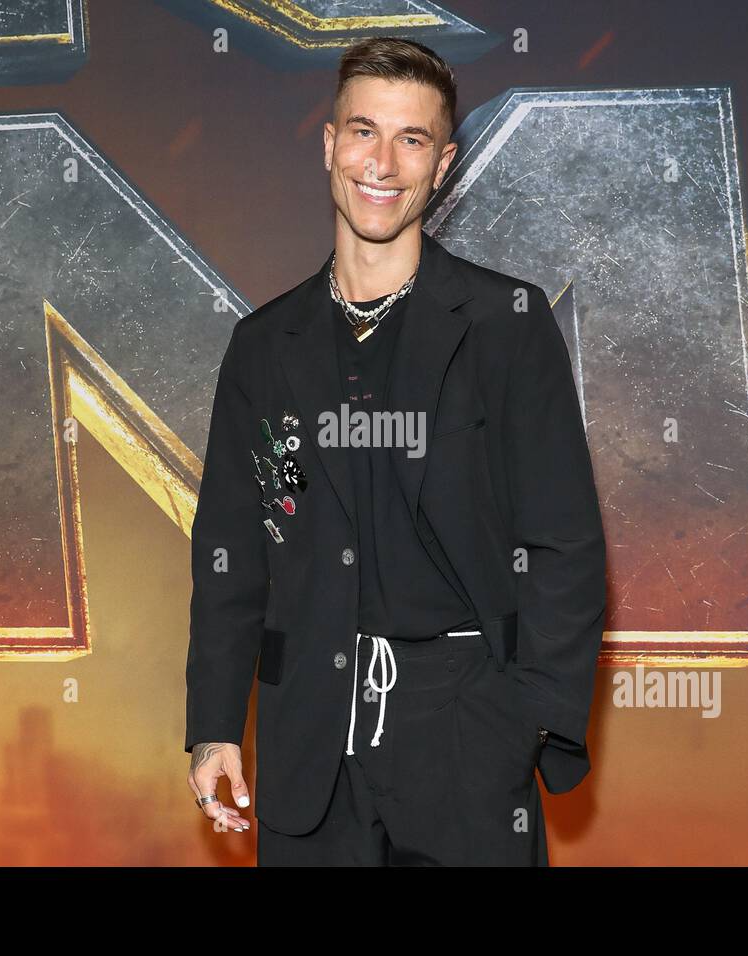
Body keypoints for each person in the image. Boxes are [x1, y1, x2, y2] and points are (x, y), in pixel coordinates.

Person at [185, 36, 607, 865]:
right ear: (329, 145)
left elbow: (564, 544)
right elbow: (231, 549)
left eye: (411, 139)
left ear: (442, 163)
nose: (382, 162)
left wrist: (520, 720)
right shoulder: (265, 347)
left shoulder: (505, 326)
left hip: (466, 742)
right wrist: (213, 726)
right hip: (310, 742)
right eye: (363, 132)